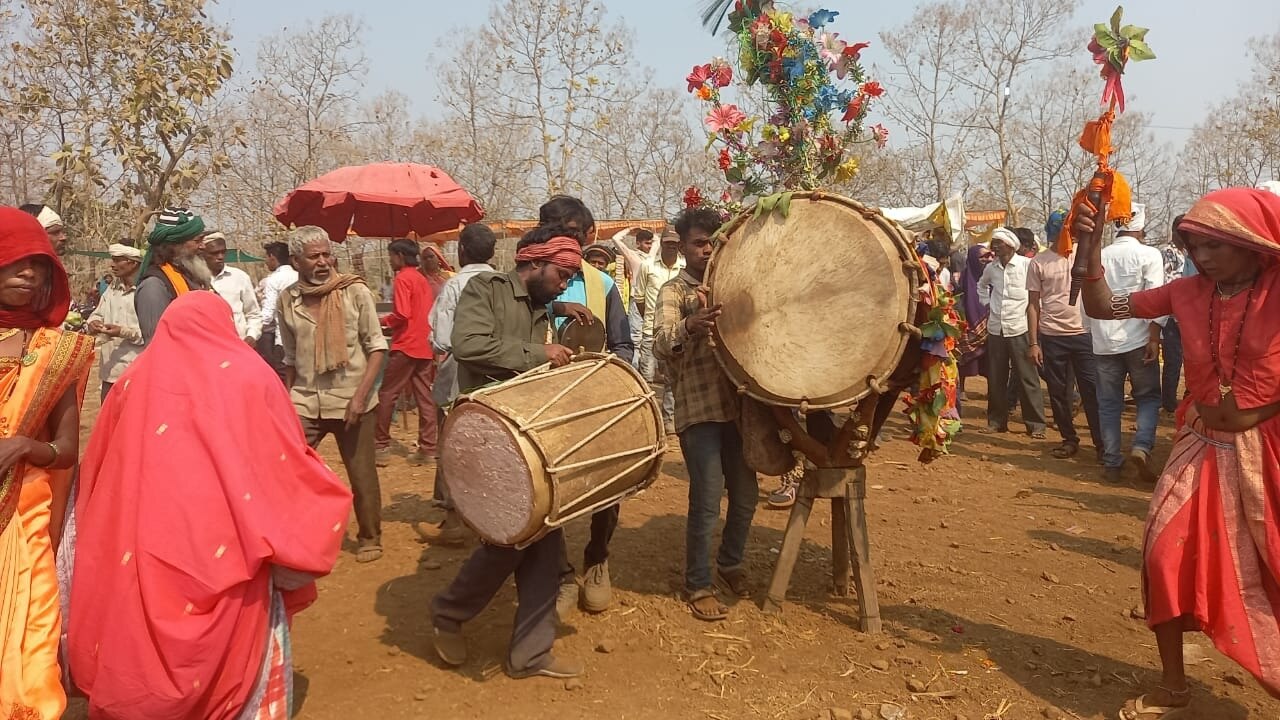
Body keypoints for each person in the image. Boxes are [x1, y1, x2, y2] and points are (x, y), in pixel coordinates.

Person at [68, 292, 352, 720]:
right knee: (235, 651)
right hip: (228, 550)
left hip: (145, 547)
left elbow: (101, 469)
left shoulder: (131, 381)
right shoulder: (249, 375)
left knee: (140, 639)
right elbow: (285, 460)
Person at [1074, 187, 1280, 717]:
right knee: (1163, 556)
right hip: (1200, 446)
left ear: (1254, 244)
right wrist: (1089, 246)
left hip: (1270, 454)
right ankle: (1174, 685)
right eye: (1193, 245)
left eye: (1215, 246)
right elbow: (1099, 305)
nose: (1202, 257)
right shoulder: (1183, 293)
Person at [430, 226, 583, 679]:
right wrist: (541, 352)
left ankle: (529, 654)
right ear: (533, 262)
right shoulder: (486, 288)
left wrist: (557, 309)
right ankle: (449, 613)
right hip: (488, 436)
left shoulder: (540, 303)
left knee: (544, 535)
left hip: (527, 435)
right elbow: (469, 345)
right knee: (509, 540)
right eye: (562, 273)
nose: (566, 282)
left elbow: (529, 322)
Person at [0, 206, 96, 720]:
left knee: (30, 637)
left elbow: (65, 449)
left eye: (39, 266)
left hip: (24, 513)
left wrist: (21, 447)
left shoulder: (54, 349)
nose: (29, 275)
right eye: (16, 263)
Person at [655, 207, 758, 622]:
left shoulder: (732, 286)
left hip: (738, 408)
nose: (707, 249)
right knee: (707, 499)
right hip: (699, 409)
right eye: (699, 242)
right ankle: (698, 582)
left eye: (713, 242)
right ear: (682, 247)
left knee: (747, 496)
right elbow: (660, 342)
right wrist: (690, 325)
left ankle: (729, 563)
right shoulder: (673, 291)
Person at [538, 196, 634, 616]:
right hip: (540, 408)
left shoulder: (603, 285)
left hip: (593, 406)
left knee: (606, 485)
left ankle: (597, 557)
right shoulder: (526, 284)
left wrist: (605, 374)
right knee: (548, 491)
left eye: (576, 232)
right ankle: (558, 573)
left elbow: (624, 345)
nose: (569, 239)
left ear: (589, 235)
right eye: (559, 231)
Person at [278, 226, 388, 563]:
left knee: (362, 475)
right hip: (306, 400)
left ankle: (370, 536)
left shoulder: (354, 292)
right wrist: (285, 400)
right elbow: (291, 357)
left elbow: (377, 348)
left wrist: (359, 397)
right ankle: (295, 534)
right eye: (315, 257)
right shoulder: (288, 299)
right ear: (296, 261)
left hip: (352, 399)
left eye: (327, 254)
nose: (324, 262)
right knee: (287, 469)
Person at [1084, 204, 1166, 483]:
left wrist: (1091, 332)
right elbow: (1156, 298)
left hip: (1103, 340)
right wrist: (1155, 337)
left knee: (1108, 404)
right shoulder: (1149, 255)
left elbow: (1088, 301)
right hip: (1140, 337)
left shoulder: (1100, 254)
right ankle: (1142, 446)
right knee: (1148, 397)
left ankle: (1111, 462)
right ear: (1140, 226)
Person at [427, 224, 497, 546]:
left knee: (453, 445)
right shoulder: (503, 284)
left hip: (459, 376)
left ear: (462, 252)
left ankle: (455, 519)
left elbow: (442, 340)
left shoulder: (454, 286)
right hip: (497, 378)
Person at [1027, 211, 1102, 460]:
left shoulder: (1085, 257)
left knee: (1091, 390)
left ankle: (1102, 444)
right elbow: (1033, 305)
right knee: (1058, 393)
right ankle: (1069, 439)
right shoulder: (1038, 262)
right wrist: (1034, 343)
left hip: (1084, 333)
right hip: (1051, 335)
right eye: (1060, 229)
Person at [977, 228, 1047, 437]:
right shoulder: (991, 268)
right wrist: (987, 304)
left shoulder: (1027, 266)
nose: (994, 247)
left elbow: (1037, 296)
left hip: (1020, 329)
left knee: (1028, 377)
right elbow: (981, 286)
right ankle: (997, 421)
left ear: (1010, 245)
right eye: (993, 243)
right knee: (996, 377)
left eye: (998, 243)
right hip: (996, 329)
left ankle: (1036, 425)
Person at [375, 239, 438, 466]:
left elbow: (401, 313)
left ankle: (380, 445)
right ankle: (428, 448)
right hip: (424, 344)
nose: (390, 260)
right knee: (424, 396)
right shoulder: (421, 279)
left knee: (387, 394)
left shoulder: (403, 278)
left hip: (406, 344)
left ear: (400, 256)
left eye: (391, 255)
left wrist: (382, 320)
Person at [136, 206, 212, 343]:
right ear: (176, 245)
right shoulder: (154, 286)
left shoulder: (188, 276)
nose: (203, 246)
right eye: (197, 240)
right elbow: (157, 346)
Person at [634, 230, 684, 435]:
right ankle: (648, 424)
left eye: (675, 243)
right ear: (661, 244)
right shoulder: (648, 266)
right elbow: (639, 299)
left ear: (679, 245)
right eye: (667, 243)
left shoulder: (685, 267)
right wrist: (654, 321)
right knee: (646, 379)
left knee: (672, 379)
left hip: (676, 333)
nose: (671, 246)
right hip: (650, 333)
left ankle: (669, 421)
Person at [86, 244, 144, 402]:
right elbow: (97, 313)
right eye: (113, 260)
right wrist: (94, 322)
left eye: (118, 261)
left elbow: (152, 333)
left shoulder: (146, 290)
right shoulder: (112, 289)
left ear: (133, 263)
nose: (112, 265)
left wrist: (122, 332)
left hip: (136, 373)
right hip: (109, 372)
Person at [202, 231, 263, 345]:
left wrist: (251, 336)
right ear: (202, 253)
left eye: (223, 252)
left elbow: (254, 314)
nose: (220, 257)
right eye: (214, 253)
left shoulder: (240, 277)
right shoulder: (195, 280)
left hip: (239, 346)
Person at [955, 243, 993, 408]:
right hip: (967, 323)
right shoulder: (962, 278)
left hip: (989, 323)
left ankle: (992, 390)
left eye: (990, 256)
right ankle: (961, 389)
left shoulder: (993, 276)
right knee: (963, 360)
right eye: (983, 257)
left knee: (991, 360)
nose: (988, 259)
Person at [258, 240, 298, 382]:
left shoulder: (273, 280)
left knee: (284, 378)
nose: (266, 262)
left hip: (283, 340)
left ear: (272, 257)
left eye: (266, 258)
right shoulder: (300, 276)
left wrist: (252, 332)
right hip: (304, 337)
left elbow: (267, 314)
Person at [1160, 233, 1187, 414]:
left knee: (1193, 360)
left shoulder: (1189, 253)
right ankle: (1168, 402)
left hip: (1190, 315)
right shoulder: (1167, 252)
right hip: (1172, 316)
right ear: (1176, 231)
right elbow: (1167, 282)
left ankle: (1189, 399)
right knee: (1173, 361)